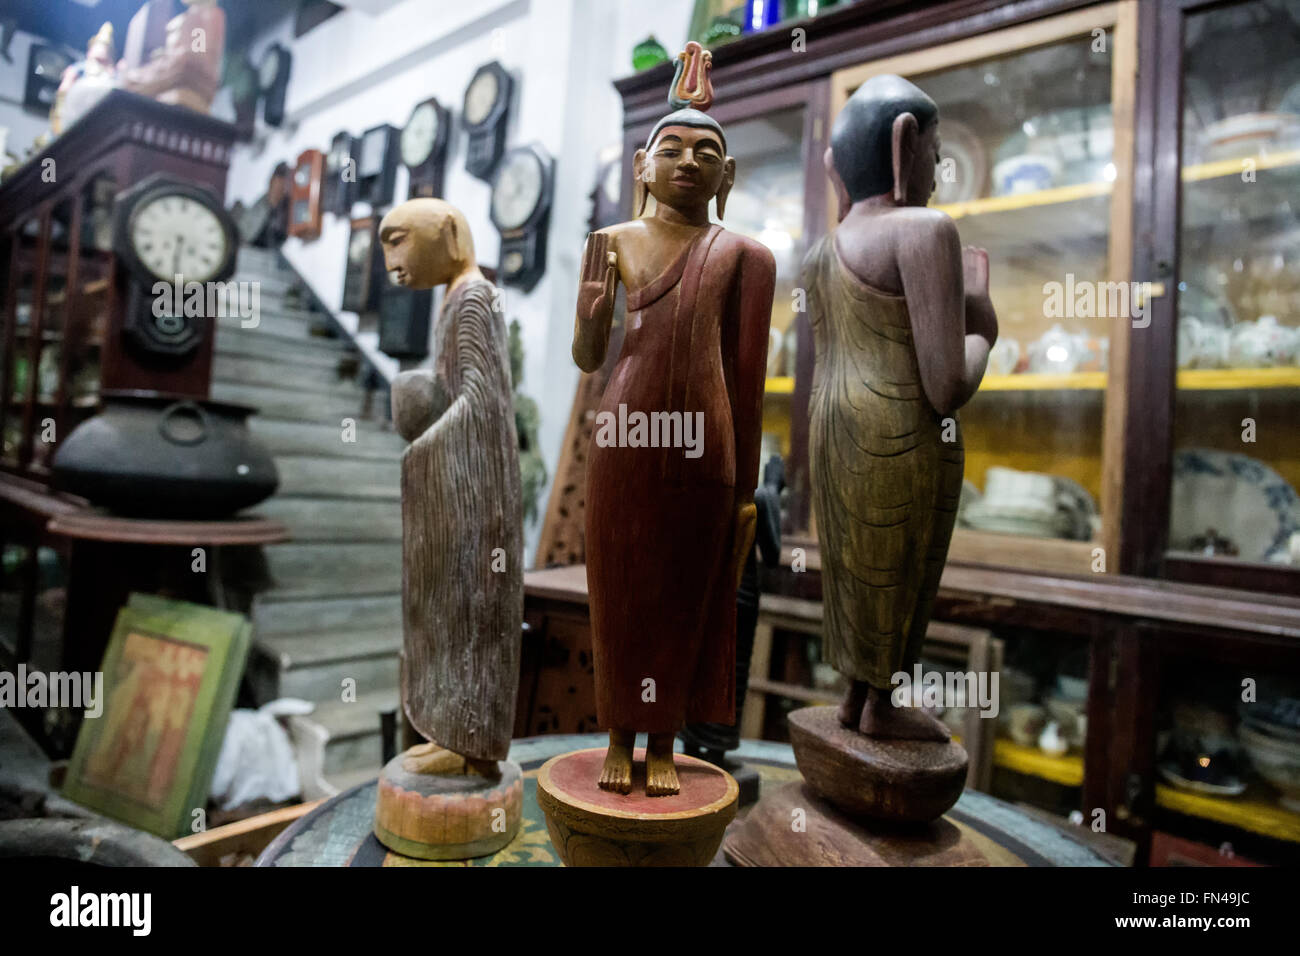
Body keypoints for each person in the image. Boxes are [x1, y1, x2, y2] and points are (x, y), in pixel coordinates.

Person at [573, 43, 775, 795]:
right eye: (672, 148)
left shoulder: (744, 257)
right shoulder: (611, 243)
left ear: (728, 177)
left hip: (707, 445)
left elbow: (747, 379)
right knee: (623, 585)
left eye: (707, 153)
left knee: (685, 589)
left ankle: (663, 739)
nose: (688, 162)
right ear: (642, 166)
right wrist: (593, 314)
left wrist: (746, 489)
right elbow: (589, 358)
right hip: (624, 434)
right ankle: (619, 739)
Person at [807, 73, 998, 741]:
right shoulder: (923, 232)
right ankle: (879, 704)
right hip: (902, 431)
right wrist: (981, 323)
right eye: (934, 155)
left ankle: (856, 698)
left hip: (834, 432)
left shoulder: (820, 253)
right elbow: (946, 384)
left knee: (859, 568)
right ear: (902, 143)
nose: (939, 175)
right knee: (900, 566)